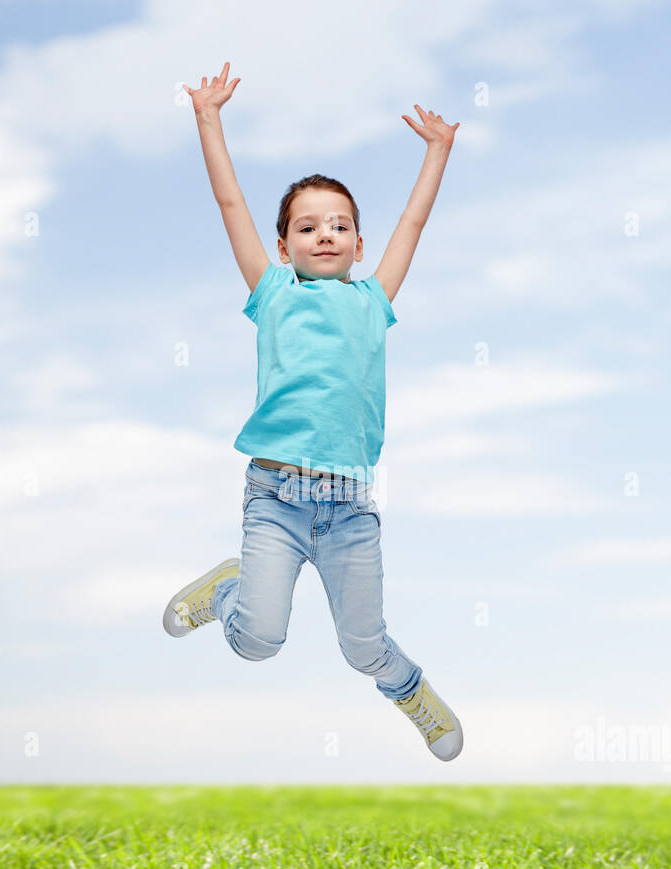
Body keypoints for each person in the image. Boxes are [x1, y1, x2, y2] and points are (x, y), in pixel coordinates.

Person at [162, 62, 463, 761]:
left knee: (364, 648)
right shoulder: (273, 296)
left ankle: (411, 690)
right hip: (275, 498)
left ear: (360, 244)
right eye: (306, 226)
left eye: (340, 225)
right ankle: (229, 587)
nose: (324, 234)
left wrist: (437, 151)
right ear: (283, 247)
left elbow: (415, 221)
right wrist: (208, 116)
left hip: (350, 506)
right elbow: (230, 204)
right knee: (258, 642)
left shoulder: (374, 299)